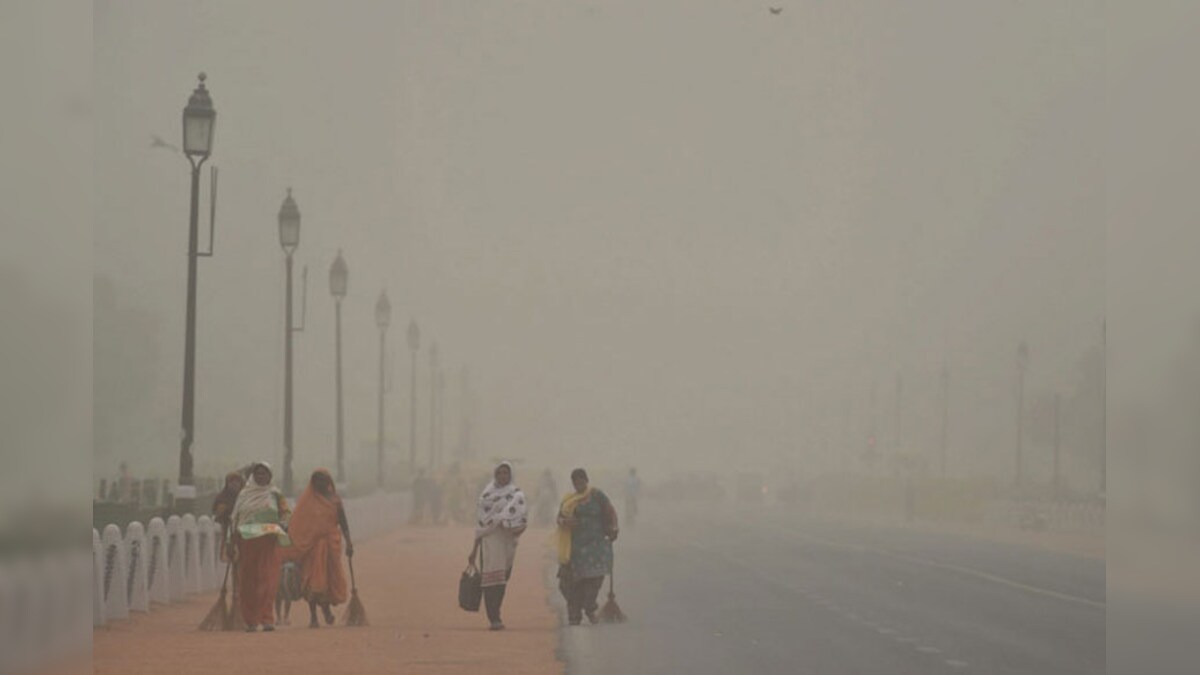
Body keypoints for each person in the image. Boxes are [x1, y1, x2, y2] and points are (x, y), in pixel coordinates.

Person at [285, 469, 353, 628]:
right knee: (312, 581)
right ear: (313, 483)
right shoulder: (307, 501)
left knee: (328, 579)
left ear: (329, 481)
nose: (321, 484)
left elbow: (343, 523)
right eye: (317, 481)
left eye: (324, 480)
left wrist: (349, 543)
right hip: (312, 546)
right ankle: (313, 616)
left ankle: (326, 610)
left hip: (331, 545)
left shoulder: (335, 500)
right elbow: (297, 523)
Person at [230, 461, 291, 632]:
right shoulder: (244, 494)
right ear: (253, 476)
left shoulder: (275, 494)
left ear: (270, 476)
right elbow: (235, 518)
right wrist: (231, 541)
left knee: (269, 579)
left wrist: (285, 523)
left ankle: (267, 619)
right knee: (248, 580)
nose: (260, 477)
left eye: (264, 474)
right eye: (258, 474)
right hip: (247, 540)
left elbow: (285, 512)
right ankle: (250, 620)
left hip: (268, 540)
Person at [468, 461, 528, 630]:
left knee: (501, 580)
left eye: (506, 473)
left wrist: (511, 526)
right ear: (495, 475)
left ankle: (497, 611)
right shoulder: (486, 496)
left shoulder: (517, 495)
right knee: (489, 580)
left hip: (507, 543)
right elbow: (480, 526)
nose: (503, 476)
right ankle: (493, 617)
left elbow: (522, 520)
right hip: (489, 542)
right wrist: (473, 550)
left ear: (510, 475)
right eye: (500, 473)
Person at [555, 468, 618, 626]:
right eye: (575, 481)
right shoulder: (569, 500)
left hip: (595, 545)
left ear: (586, 480)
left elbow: (610, 511)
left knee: (594, 579)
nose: (579, 484)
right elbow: (559, 518)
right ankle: (574, 614)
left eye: (581, 480)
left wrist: (613, 529)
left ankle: (590, 607)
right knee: (570, 582)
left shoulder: (597, 495)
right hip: (574, 547)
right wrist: (565, 522)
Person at [211, 471, 245, 562]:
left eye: (237, 482)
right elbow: (219, 512)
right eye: (232, 482)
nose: (234, 484)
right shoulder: (222, 497)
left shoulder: (245, 497)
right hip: (228, 529)